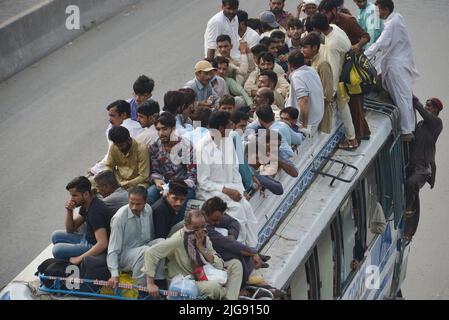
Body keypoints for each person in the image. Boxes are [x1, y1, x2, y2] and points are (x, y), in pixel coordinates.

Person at [142, 210, 244, 300]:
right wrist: (150, 284)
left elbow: (218, 265)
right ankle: (228, 294)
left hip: (205, 274)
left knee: (235, 264)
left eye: (202, 227)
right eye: (195, 228)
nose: (199, 231)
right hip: (186, 282)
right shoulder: (178, 240)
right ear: (186, 225)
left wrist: (202, 249)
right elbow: (151, 253)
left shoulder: (204, 237)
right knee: (214, 287)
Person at [195, 111, 259, 248]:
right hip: (211, 190)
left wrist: (240, 191)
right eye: (230, 124)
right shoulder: (203, 147)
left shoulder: (228, 139)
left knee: (247, 207)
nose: (232, 127)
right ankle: (241, 249)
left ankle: (253, 248)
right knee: (237, 210)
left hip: (231, 187)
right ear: (221, 128)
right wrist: (227, 190)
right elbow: (203, 182)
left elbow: (235, 170)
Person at [365, 0, 419, 139]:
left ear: (386, 9)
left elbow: (380, 43)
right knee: (404, 95)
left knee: (401, 96)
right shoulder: (397, 18)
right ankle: (409, 126)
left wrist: (363, 56)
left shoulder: (392, 24)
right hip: (400, 61)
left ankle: (406, 130)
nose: (378, 14)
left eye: (379, 10)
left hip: (396, 65)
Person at [319, 0, 372, 143]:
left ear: (334, 11)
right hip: (342, 64)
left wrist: (358, 45)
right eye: (322, 13)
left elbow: (366, 36)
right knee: (352, 102)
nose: (324, 16)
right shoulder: (328, 26)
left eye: (325, 13)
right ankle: (365, 131)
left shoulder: (348, 20)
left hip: (353, 64)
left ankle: (357, 139)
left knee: (355, 102)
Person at [310, 13, 358, 148]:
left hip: (343, 74)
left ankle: (351, 139)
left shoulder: (332, 45)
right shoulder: (334, 27)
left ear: (316, 28)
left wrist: (332, 92)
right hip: (349, 65)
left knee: (342, 105)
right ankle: (352, 137)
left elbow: (334, 70)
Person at [201, 197, 268, 287]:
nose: (217, 223)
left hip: (218, 247)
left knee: (236, 246)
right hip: (207, 256)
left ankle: (254, 276)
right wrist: (253, 253)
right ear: (205, 215)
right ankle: (246, 284)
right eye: (214, 220)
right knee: (236, 253)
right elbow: (228, 244)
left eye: (219, 220)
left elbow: (233, 222)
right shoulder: (204, 226)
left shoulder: (213, 217)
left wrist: (232, 235)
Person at [403, 97, 443, 243]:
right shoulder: (420, 124)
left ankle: (408, 214)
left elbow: (422, 111)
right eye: (426, 105)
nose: (426, 107)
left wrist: (413, 99)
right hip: (413, 165)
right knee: (411, 193)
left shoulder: (436, 123)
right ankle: (408, 228)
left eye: (429, 106)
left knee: (412, 184)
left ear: (436, 110)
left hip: (423, 168)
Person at [107, 186, 162, 286]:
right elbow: (113, 249)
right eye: (131, 203)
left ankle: (157, 281)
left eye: (138, 204)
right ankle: (140, 289)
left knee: (161, 243)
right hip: (123, 256)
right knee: (145, 251)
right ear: (128, 200)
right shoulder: (119, 218)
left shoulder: (148, 209)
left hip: (142, 246)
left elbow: (151, 235)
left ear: (145, 202)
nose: (134, 207)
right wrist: (114, 274)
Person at [51, 177, 112, 264]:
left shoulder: (96, 211)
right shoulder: (86, 205)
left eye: (75, 195)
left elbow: (102, 243)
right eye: (71, 195)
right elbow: (70, 229)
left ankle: (72, 268)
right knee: (55, 235)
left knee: (57, 250)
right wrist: (69, 210)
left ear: (86, 194)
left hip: (93, 245)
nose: (72, 199)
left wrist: (79, 259)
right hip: (87, 238)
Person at [148, 113, 196, 209]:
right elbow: (155, 171)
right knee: (150, 194)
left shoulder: (186, 146)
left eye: (164, 129)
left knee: (178, 199)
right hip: (164, 183)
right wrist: (157, 180)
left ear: (173, 128)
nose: (161, 133)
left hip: (183, 185)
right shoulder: (154, 146)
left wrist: (173, 186)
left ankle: (176, 224)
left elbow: (192, 177)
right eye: (158, 129)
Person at [89, 100, 143, 176]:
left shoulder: (123, 131)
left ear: (123, 115)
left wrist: (94, 170)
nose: (110, 119)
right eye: (110, 116)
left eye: (113, 116)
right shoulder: (134, 125)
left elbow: (112, 154)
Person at [301, 32, 334, 134]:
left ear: (314, 47)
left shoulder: (322, 64)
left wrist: (314, 107)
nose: (303, 50)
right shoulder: (312, 62)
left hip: (320, 111)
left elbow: (328, 92)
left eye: (305, 47)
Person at [285, 50, 324, 136]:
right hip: (317, 116)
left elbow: (304, 100)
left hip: (308, 122)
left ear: (290, 65)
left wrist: (304, 126)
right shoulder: (311, 70)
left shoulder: (297, 76)